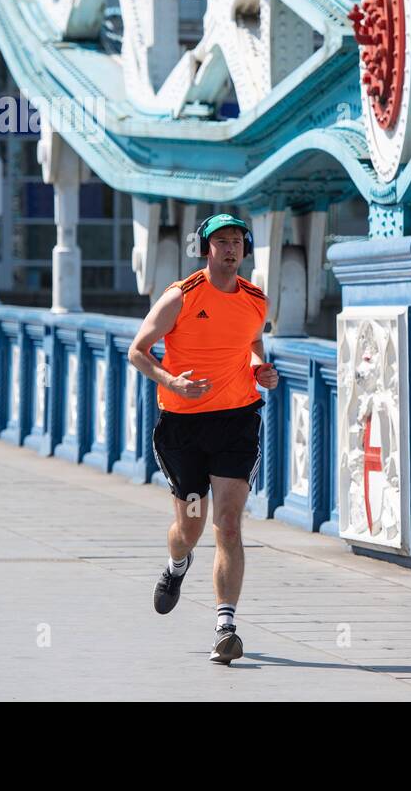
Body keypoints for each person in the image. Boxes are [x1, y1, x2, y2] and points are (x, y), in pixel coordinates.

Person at [127, 213, 278, 664]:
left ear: (244, 250)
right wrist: (172, 382)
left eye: (237, 241)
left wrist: (259, 370)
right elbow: (138, 350)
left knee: (228, 524)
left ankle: (225, 627)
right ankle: (177, 564)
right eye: (221, 242)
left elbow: (252, 343)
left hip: (236, 421)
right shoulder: (181, 296)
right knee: (190, 528)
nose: (230, 249)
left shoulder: (256, 300)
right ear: (205, 248)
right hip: (184, 426)